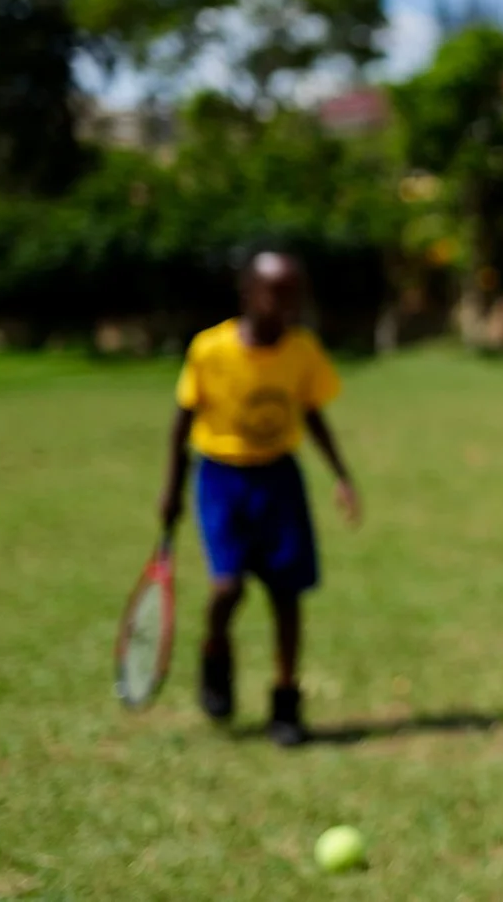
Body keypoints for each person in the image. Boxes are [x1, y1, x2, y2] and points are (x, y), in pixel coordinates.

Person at [159, 251, 360, 747]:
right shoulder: (210, 350)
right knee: (227, 590)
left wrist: (341, 475)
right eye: (277, 291)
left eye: (295, 293)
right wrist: (171, 490)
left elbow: (313, 414)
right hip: (221, 478)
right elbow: (182, 423)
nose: (287, 303)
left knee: (286, 595)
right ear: (248, 293)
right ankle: (214, 654)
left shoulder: (302, 350)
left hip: (279, 479)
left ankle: (286, 701)